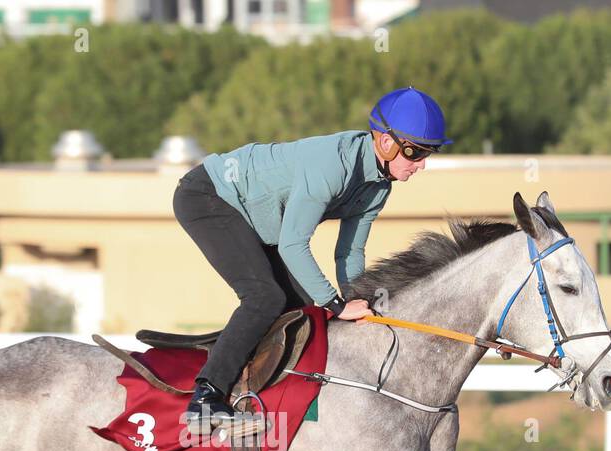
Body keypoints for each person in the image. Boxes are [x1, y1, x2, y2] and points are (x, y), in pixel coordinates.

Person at [172, 86, 453, 433]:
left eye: (428, 154)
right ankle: (205, 399)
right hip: (209, 196)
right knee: (265, 297)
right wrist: (336, 305)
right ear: (385, 142)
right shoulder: (332, 166)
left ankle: (267, 398)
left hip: (256, 219)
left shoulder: (379, 186)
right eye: (415, 153)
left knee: (306, 310)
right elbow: (293, 246)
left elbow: (349, 252)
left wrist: (355, 301)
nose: (421, 165)